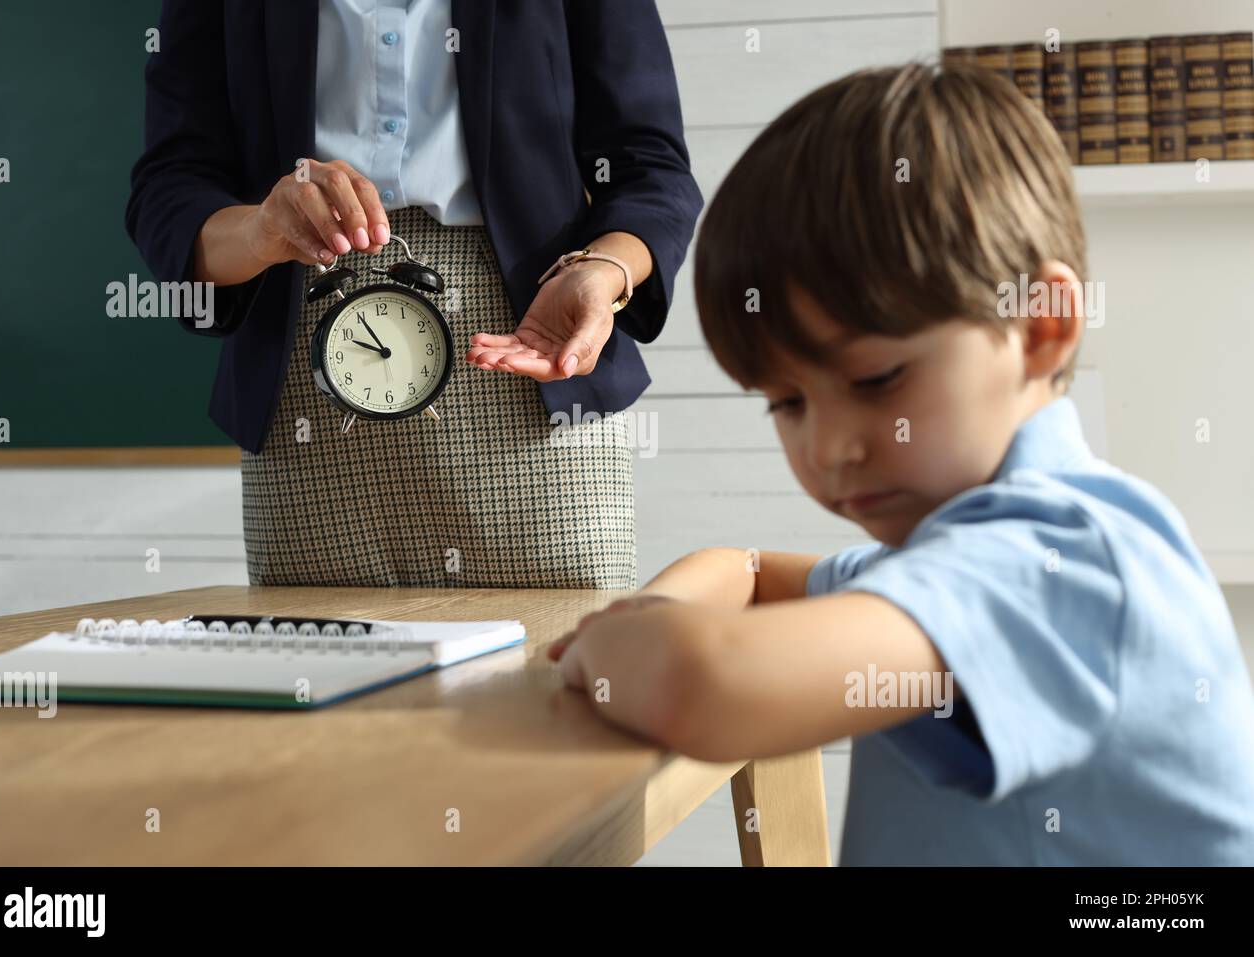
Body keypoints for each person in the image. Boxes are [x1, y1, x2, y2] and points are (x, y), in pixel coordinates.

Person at [549, 62, 1254, 865]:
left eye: (877, 380)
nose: (826, 447)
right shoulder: (943, 554)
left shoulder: (1064, 555)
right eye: (787, 402)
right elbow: (742, 569)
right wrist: (639, 623)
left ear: (1041, 327)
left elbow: (705, 687)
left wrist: (605, 648)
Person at [125, 0, 702, 589]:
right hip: (305, 378)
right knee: (320, 665)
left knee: (558, 665)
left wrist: (603, 271)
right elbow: (171, 187)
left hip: (532, 358)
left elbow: (650, 168)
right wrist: (260, 230)